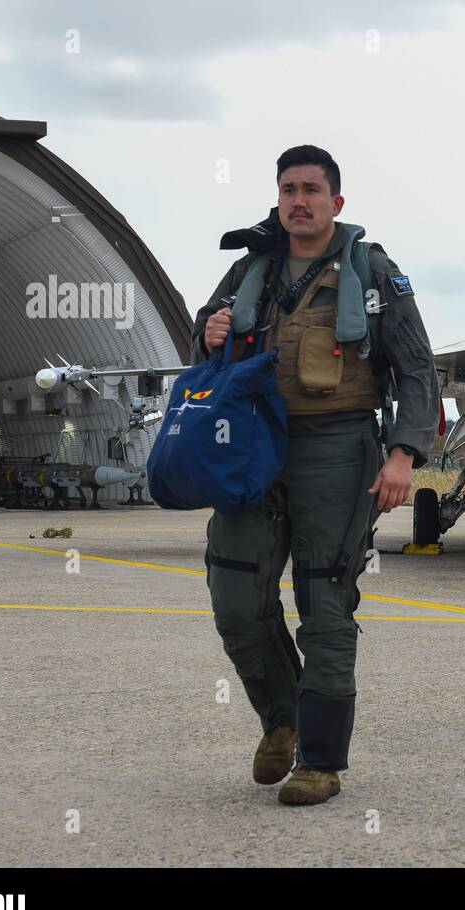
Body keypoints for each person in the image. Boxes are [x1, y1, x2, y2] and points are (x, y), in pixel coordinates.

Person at [191, 145, 439, 805]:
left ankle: (320, 763)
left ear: (336, 201)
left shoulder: (372, 271)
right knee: (236, 598)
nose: (298, 200)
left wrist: (403, 454)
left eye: (311, 189)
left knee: (325, 604)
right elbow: (201, 348)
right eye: (288, 189)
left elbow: (417, 368)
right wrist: (210, 330)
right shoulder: (250, 270)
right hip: (256, 445)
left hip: (339, 443)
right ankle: (283, 717)